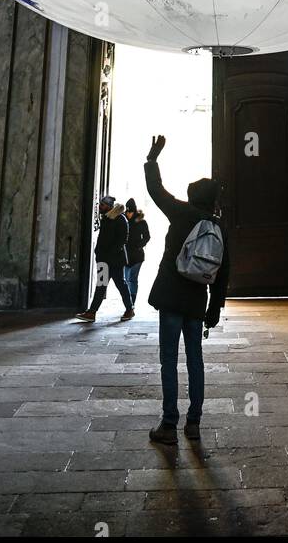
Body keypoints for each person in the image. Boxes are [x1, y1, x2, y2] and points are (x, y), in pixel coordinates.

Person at [144, 133, 230, 445]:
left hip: (171, 297)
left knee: (169, 359)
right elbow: (223, 271)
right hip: (196, 301)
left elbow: (156, 191)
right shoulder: (217, 226)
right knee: (196, 360)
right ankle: (193, 424)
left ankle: (169, 424)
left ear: (194, 196)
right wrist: (215, 308)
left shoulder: (180, 212)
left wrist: (153, 159)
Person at [75, 195, 134, 323]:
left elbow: (122, 240)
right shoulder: (107, 218)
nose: (99, 207)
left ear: (109, 206)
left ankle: (129, 309)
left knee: (121, 285)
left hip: (115, 260)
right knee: (101, 285)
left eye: (102, 205)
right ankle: (91, 313)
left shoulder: (120, 219)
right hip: (104, 259)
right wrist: (100, 253)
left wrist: (108, 254)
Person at [123, 197, 150, 309]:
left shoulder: (141, 222)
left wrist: (139, 245)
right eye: (127, 211)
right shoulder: (123, 220)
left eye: (130, 211)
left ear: (134, 211)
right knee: (126, 279)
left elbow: (147, 237)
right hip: (124, 255)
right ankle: (129, 302)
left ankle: (131, 302)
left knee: (132, 279)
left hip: (137, 255)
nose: (128, 213)